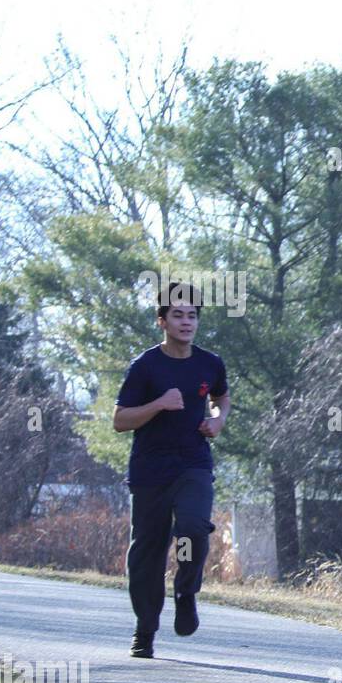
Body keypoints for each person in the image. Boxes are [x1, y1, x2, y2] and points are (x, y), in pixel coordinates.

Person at [113, 281, 230, 658]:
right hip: (150, 472)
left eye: (192, 316)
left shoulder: (210, 363)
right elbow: (120, 420)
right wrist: (159, 404)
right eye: (177, 315)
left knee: (193, 528)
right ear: (162, 321)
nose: (186, 322)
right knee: (146, 554)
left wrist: (218, 420)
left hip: (193, 464)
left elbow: (222, 397)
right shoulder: (145, 367)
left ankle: (185, 590)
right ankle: (145, 630)